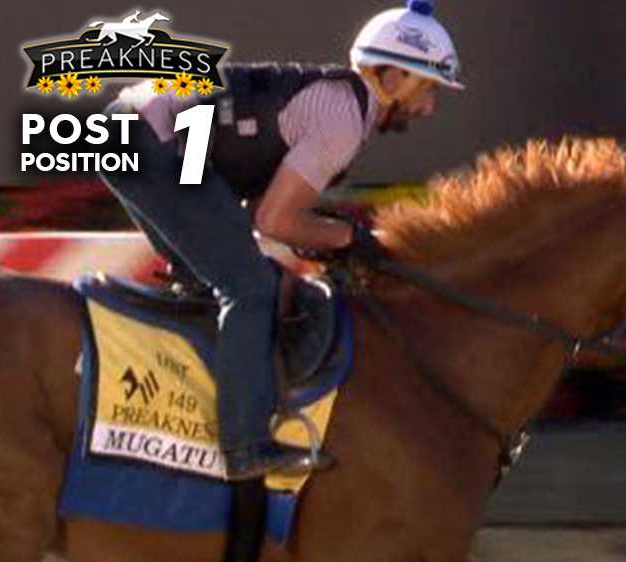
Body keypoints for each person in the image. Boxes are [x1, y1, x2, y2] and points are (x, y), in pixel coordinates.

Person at [98, 0, 464, 480]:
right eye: (429, 88)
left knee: (209, 279)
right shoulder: (342, 121)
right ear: (394, 77)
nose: (429, 107)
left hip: (135, 130)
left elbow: (257, 211)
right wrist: (348, 237)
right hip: (154, 141)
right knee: (250, 289)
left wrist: (332, 236)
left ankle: (178, 421)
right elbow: (274, 221)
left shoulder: (337, 102)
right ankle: (245, 446)